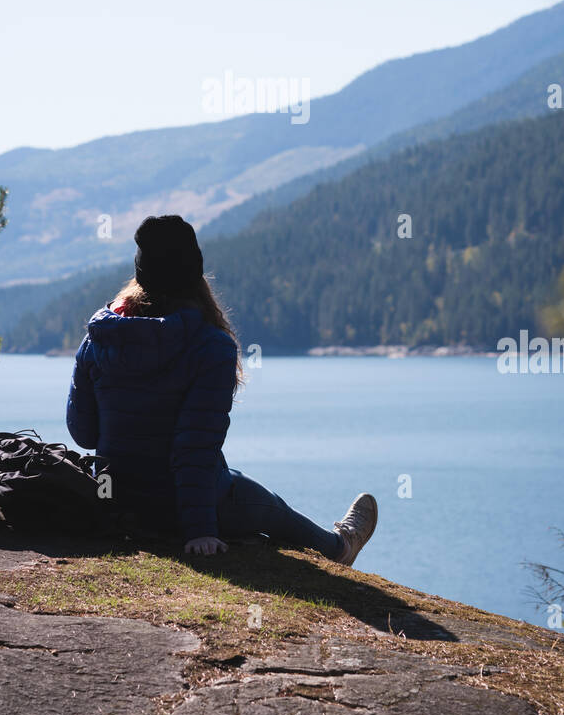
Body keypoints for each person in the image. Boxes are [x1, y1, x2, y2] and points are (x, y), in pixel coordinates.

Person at [66, 214, 378, 563]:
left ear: (141, 272)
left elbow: (84, 434)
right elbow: (194, 448)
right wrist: (200, 529)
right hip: (175, 510)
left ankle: (338, 544)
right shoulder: (211, 346)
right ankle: (341, 547)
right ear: (195, 275)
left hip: (115, 501)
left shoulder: (101, 337)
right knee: (265, 504)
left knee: (237, 481)